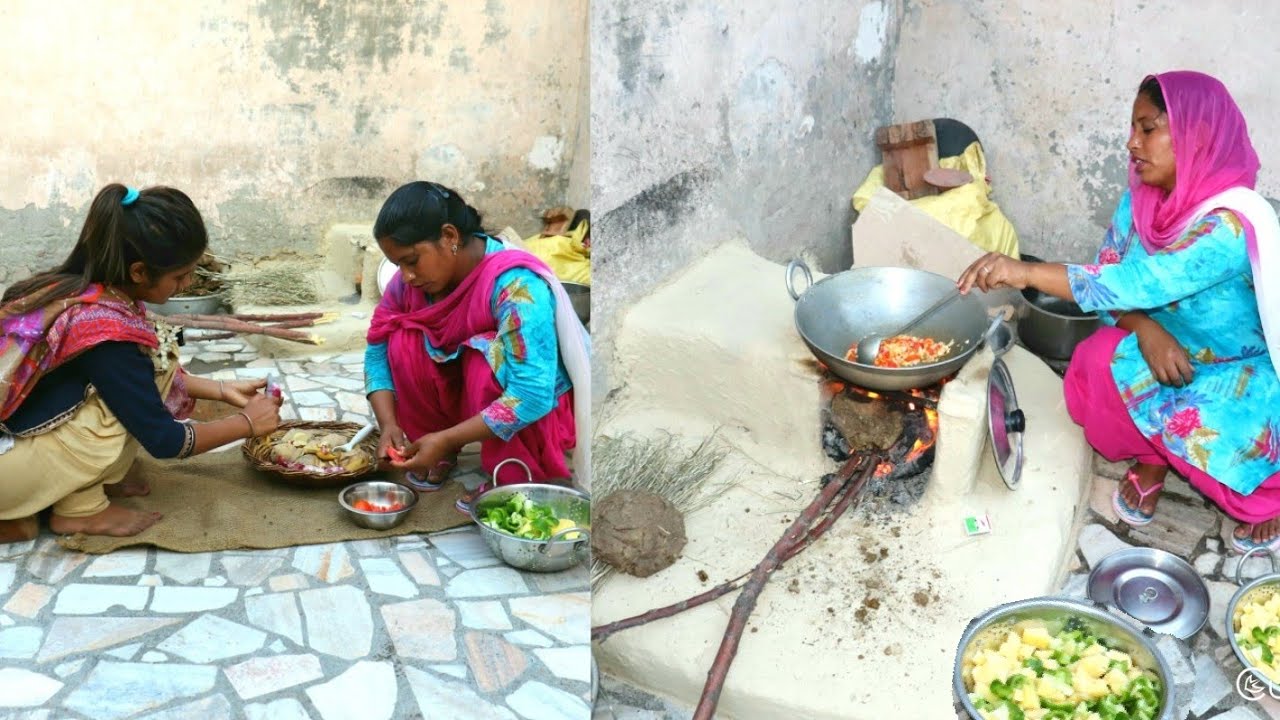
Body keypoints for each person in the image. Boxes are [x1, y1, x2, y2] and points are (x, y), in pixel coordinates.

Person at [957, 71, 1280, 554]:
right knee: (1094, 362)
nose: (1132, 143)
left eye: (1148, 128)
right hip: (1168, 355)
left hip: (1242, 372)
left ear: (1196, 136)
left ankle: (1267, 501)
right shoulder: (1141, 203)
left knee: (1240, 474)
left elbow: (1140, 282)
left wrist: (1022, 272)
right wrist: (1145, 327)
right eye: (1132, 128)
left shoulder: (1231, 226)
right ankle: (1151, 460)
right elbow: (1111, 294)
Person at [0, 184, 284, 540]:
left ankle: (78, 492)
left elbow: (144, 375)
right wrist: (246, 424)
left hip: (18, 448)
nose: (188, 283)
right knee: (119, 414)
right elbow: (163, 439)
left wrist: (223, 390)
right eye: (180, 276)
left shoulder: (94, 293)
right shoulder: (107, 334)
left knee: (141, 378)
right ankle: (78, 510)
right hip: (8, 469)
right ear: (138, 273)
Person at [364, 181, 590, 513]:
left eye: (412, 260)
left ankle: (513, 475)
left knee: (488, 353)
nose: (407, 276)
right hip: (461, 395)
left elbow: (532, 392)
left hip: (532, 406)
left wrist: (448, 439)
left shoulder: (516, 285)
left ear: (450, 237)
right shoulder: (408, 285)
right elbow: (377, 348)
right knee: (402, 337)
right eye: (399, 265)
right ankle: (425, 442)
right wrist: (389, 426)